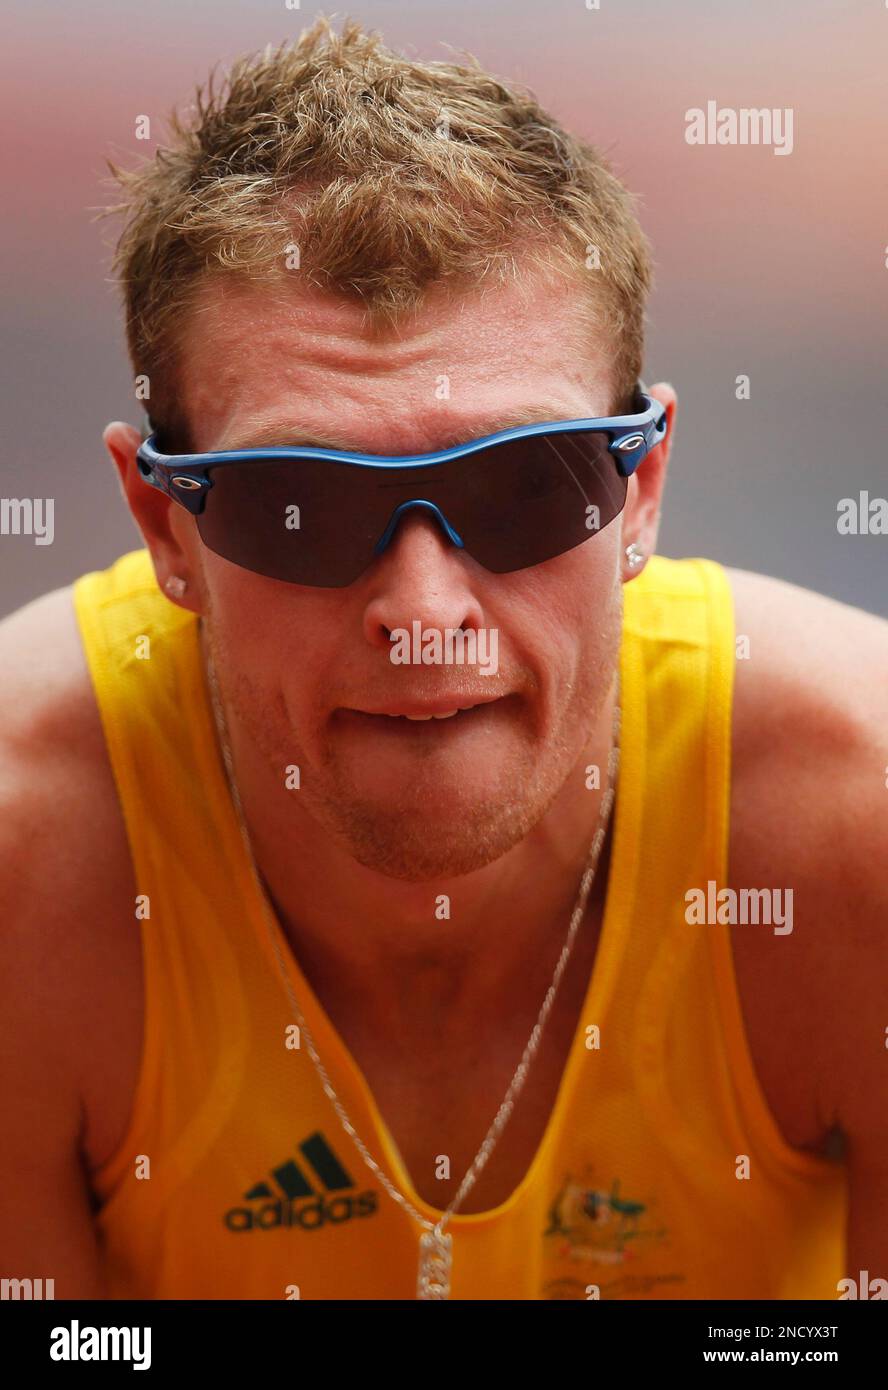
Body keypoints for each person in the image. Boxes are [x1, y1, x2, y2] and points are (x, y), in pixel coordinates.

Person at [1, 16, 886, 1303]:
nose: (421, 610)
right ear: (164, 527)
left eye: (528, 484)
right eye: (301, 503)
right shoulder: (27, 867)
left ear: (638, 496)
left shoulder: (855, 827)